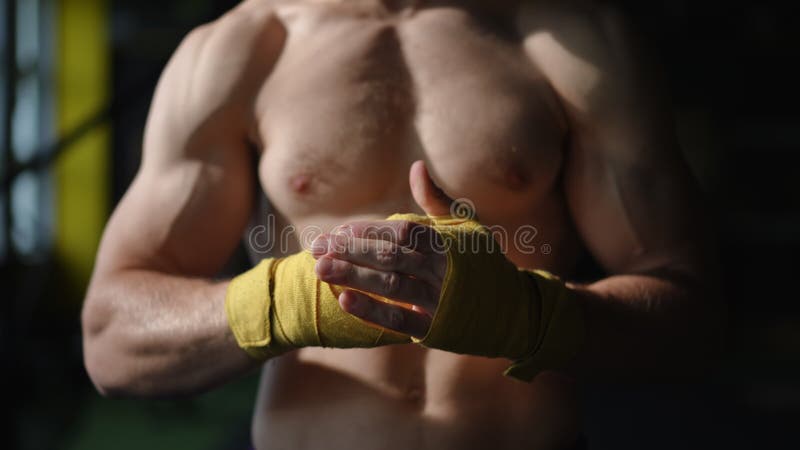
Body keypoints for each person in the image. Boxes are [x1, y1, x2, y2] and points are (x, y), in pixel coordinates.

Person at [81, 0, 722, 448]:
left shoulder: (574, 41)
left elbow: (694, 323)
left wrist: (520, 314)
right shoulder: (244, 49)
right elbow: (110, 338)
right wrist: (288, 303)